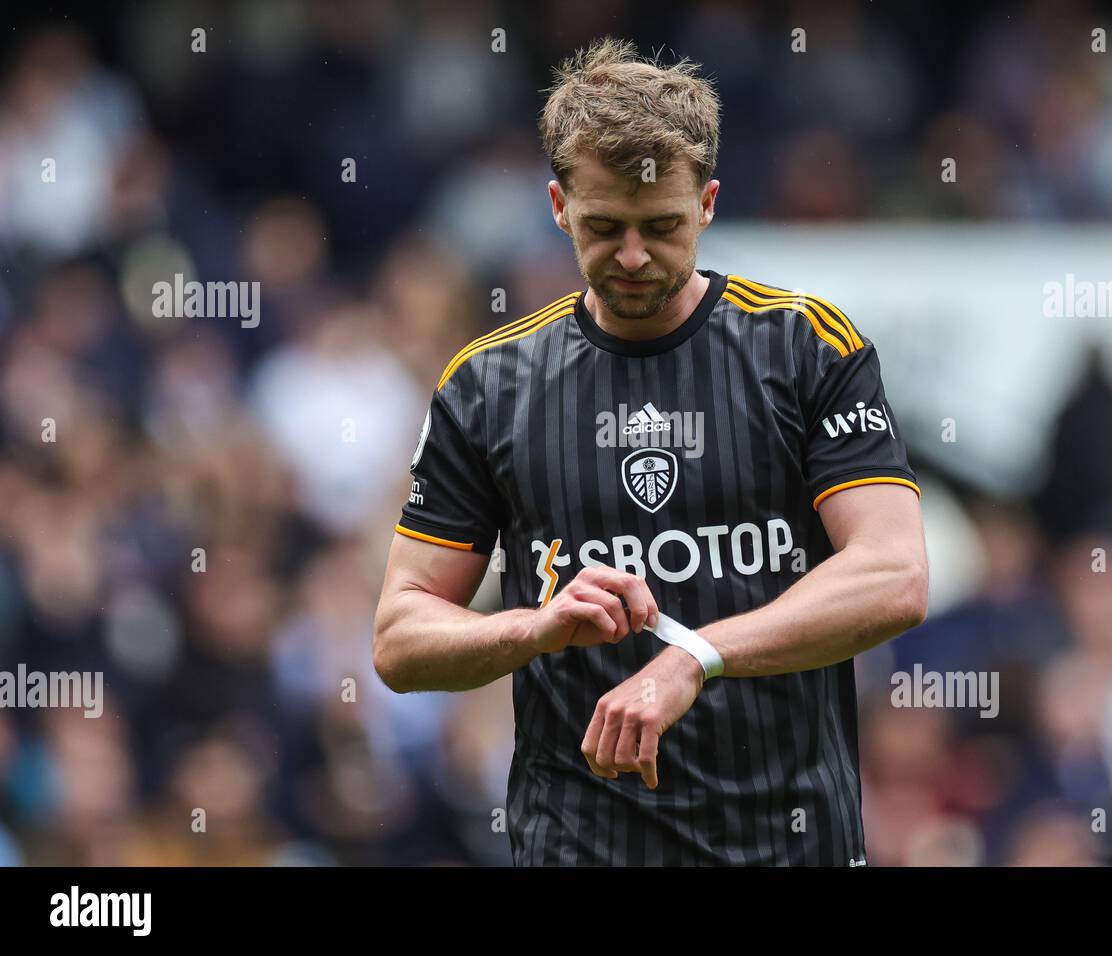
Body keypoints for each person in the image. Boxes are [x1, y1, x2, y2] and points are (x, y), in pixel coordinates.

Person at [373, 37, 928, 865]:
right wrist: (532, 628)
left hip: (788, 844)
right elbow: (400, 638)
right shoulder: (486, 386)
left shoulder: (808, 347)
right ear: (558, 205)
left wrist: (696, 658)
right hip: (580, 847)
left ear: (707, 203)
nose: (632, 257)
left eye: (662, 226)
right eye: (604, 227)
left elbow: (895, 576)